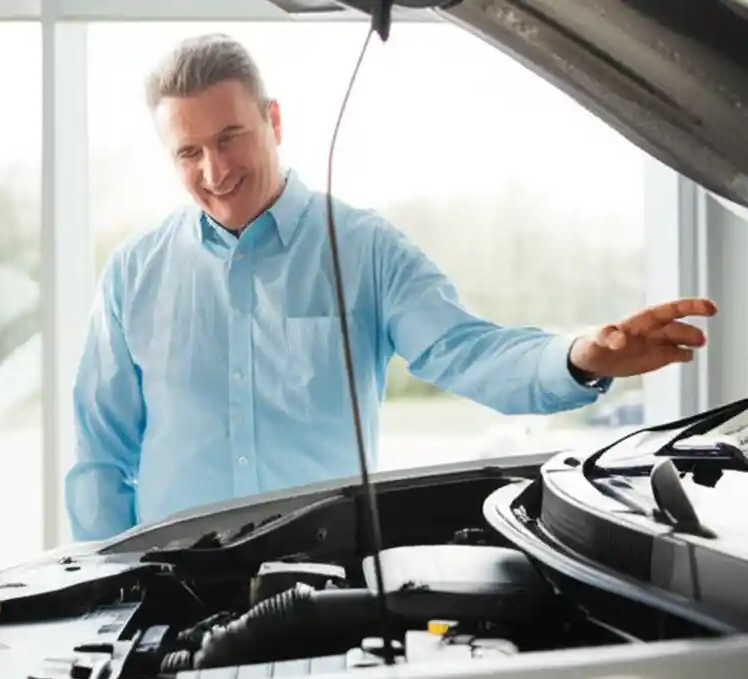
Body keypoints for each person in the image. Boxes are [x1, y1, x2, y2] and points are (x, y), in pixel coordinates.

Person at [65, 33, 719, 541]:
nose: (215, 169)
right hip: (172, 590)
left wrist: (581, 357)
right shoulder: (132, 271)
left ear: (274, 121)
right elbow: (101, 454)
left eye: (231, 137)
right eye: (189, 152)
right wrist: (105, 582)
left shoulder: (366, 248)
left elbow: (469, 352)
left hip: (328, 581)